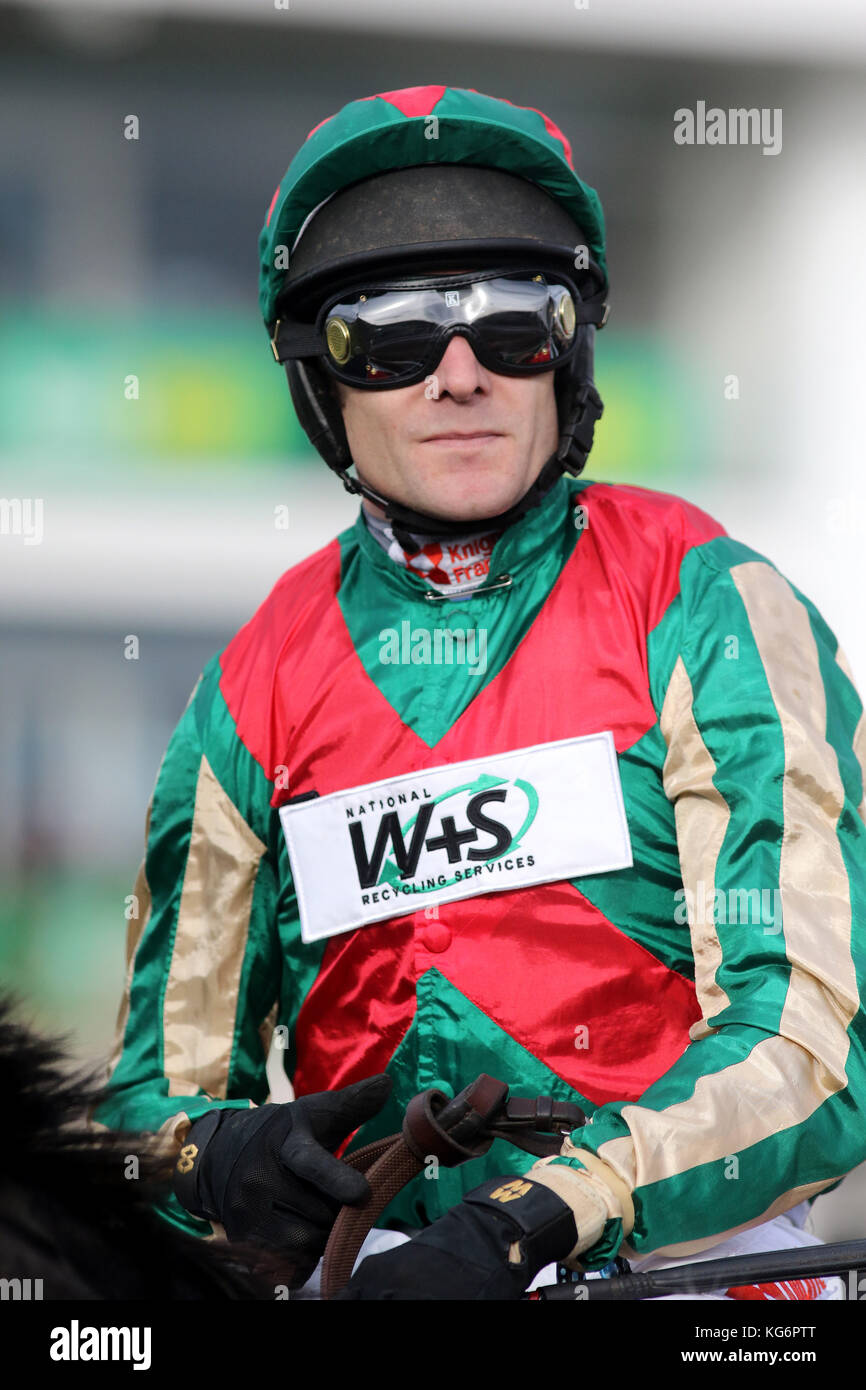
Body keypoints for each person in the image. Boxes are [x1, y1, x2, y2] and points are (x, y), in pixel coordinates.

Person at [97, 85, 866, 1301]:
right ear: (321, 382)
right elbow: (148, 1106)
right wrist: (212, 1160)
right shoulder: (251, 683)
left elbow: (813, 1045)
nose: (458, 373)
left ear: (568, 354)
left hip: (696, 1286)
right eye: (389, 331)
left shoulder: (709, 603)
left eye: (514, 320)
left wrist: (546, 1213)